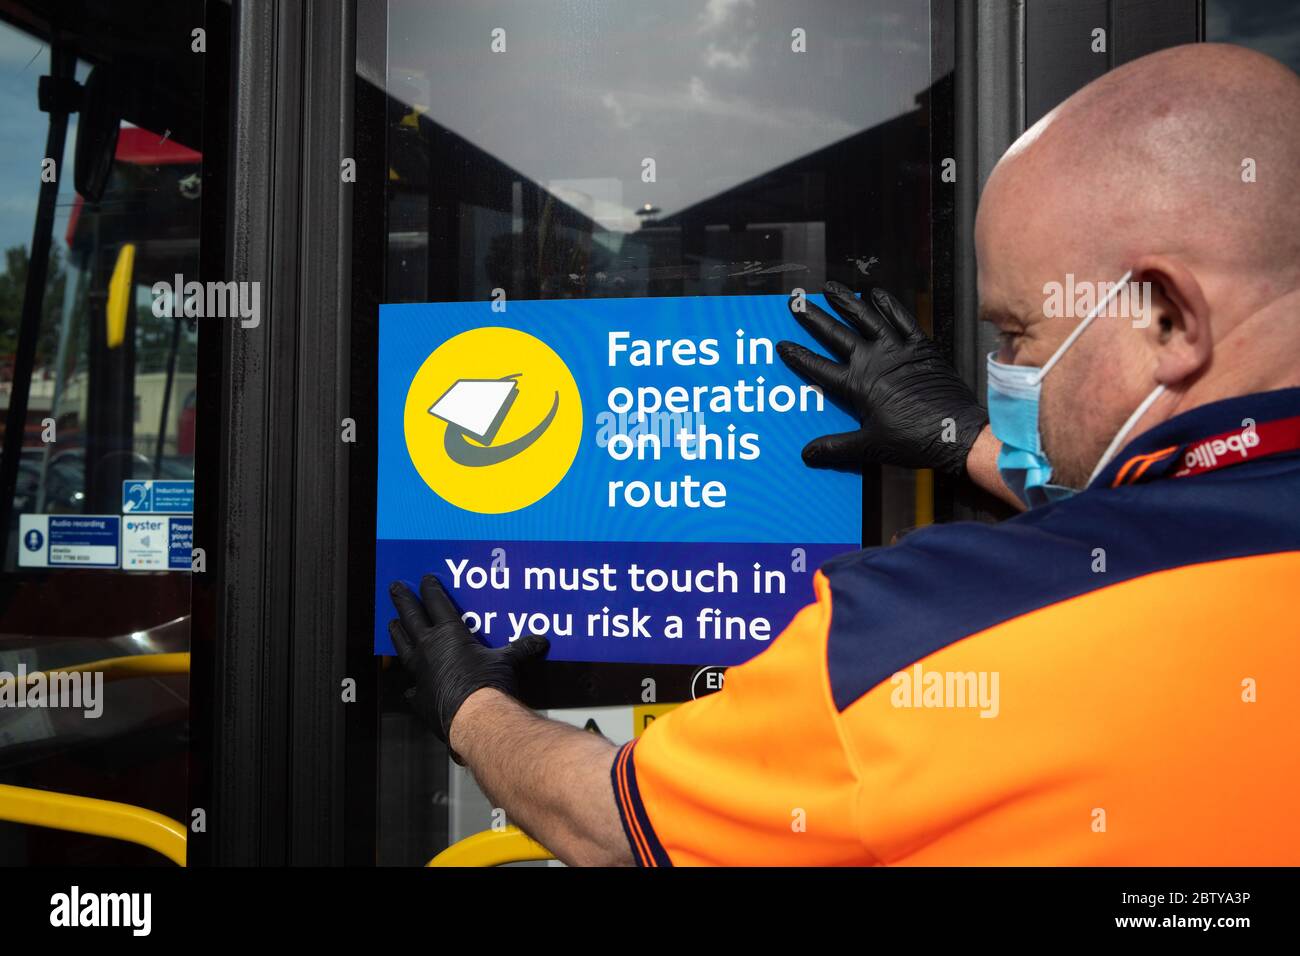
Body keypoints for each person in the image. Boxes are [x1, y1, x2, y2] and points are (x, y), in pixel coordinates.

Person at [388, 43, 1300, 866]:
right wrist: (976, 450)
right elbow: (1179, 522)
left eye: (1019, 334)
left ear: (1167, 317)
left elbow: (614, 824)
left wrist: (472, 707)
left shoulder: (917, 637)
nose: (1007, 371)